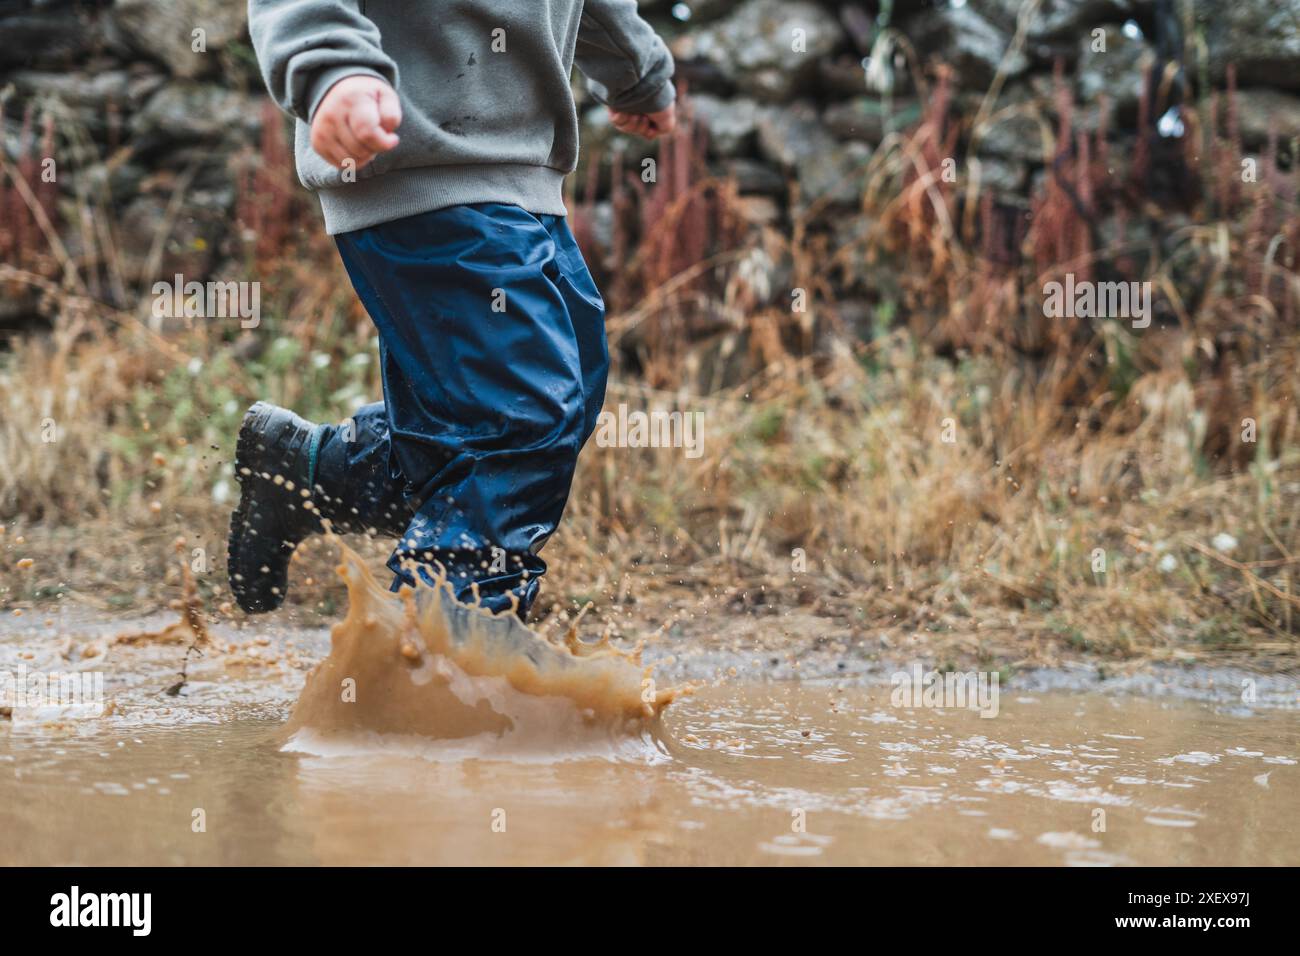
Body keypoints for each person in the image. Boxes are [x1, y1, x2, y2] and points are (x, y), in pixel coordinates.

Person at [228, 0, 676, 617]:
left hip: (527, 176)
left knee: (561, 399)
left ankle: (307, 474)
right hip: (416, 159)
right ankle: (446, 666)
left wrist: (635, 68)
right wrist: (331, 65)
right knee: (520, 418)